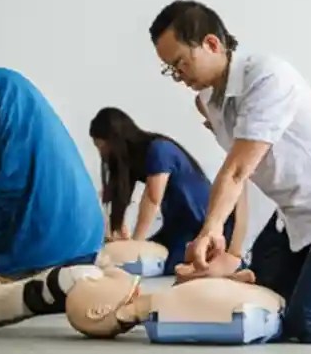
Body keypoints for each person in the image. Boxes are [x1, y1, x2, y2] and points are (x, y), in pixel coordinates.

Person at [150, 0, 311, 343]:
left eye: (180, 63)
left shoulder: (267, 76)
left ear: (211, 44)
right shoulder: (207, 102)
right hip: (292, 217)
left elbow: (236, 170)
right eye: (170, 69)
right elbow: (241, 176)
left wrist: (211, 229)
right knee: (266, 299)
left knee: (308, 325)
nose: (178, 76)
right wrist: (230, 246)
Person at [0, 68, 104, 298]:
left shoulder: (2, 91)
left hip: (46, 245)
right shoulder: (6, 85)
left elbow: (9, 187)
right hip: (82, 239)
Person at [88, 107, 246, 271]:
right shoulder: (132, 161)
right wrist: (119, 232)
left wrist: (136, 244)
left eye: (102, 145)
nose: (102, 152)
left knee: (160, 263)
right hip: (177, 226)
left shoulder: (159, 150)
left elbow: (152, 198)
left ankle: (232, 265)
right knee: (147, 255)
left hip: (201, 223)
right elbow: (121, 198)